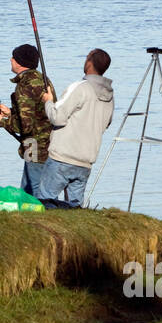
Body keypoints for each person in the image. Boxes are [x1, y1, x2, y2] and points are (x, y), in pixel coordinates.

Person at [38, 48, 114, 207]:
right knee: (75, 210)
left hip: (62, 158)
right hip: (86, 161)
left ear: (89, 63)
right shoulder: (110, 96)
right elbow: (106, 124)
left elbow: (57, 117)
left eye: (86, 57)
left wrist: (48, 101)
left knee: (44, 203)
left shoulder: (80, 87)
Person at [0, 44, 52, 197]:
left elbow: (25, 125)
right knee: (44, 187)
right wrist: (11, 113)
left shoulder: (24, 86)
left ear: (19, 62)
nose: (11, 60)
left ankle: (35, 216)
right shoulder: (42, 79)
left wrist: (1, 123)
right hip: (51, 142)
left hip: (34, 146)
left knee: (30, 191)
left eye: (13, 58)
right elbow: (37, 112)